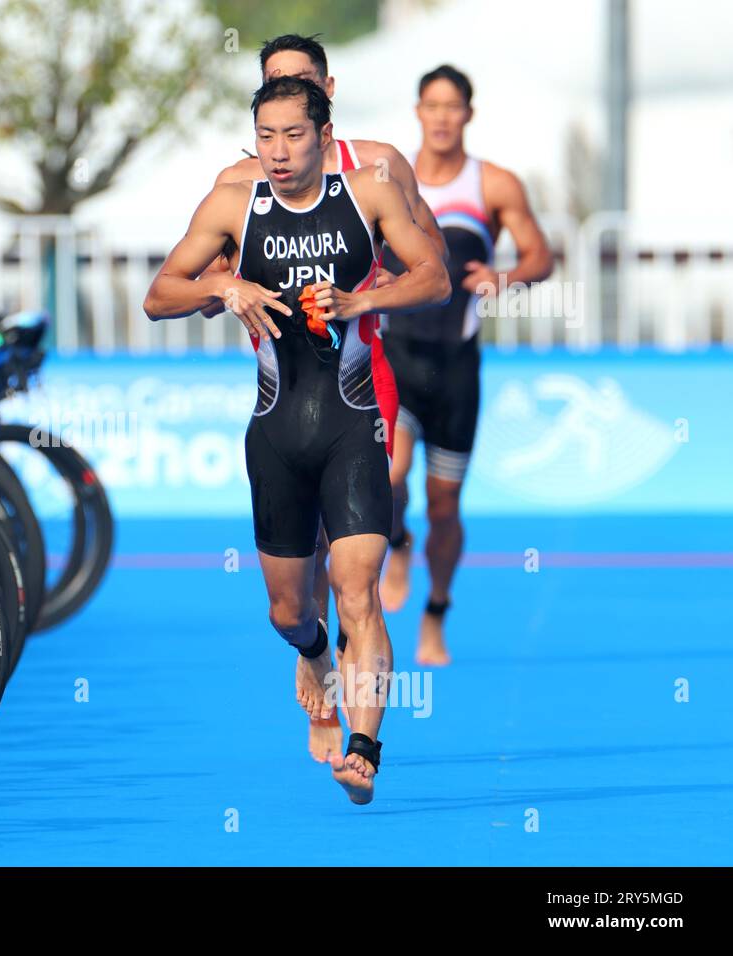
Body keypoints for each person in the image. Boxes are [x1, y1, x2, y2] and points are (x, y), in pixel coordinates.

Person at [144, 77, 449, 804]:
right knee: (290, 612)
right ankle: (313, 658)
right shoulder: (232, 205)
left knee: (358, 594)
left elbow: (434, 275)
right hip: (277, 433)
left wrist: (363, 298)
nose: (278, 152)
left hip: (353, 422)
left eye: (294, 135)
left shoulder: (367, 194)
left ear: (323, 131)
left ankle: (366, 747)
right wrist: (224, 290)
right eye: (267, 136)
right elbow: (159, 296)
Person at [377, 66, 552, 665]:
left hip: (456, 368)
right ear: (418, 112)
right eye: (433, 106)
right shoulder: (390, 180)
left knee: (446, 505)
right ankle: (396, 543)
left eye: (454, 107)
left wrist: (507, 277)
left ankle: (436, 610)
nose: (443, 117)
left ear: (468, 115)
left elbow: (541, 255)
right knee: (390, 475)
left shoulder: (494, 184)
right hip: (397, 353)